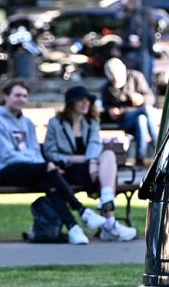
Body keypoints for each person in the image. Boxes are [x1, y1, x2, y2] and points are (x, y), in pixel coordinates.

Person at [0, 79, 97, 245]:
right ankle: (81, 210)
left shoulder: (27, 123)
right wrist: (42, 166)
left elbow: (36, 152)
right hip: (5, 171)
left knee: (51, 185)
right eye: (17, 95)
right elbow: (7, 156)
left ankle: (74, 228)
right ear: (6, 96)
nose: (21, 99)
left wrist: (42, 167)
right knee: (48, 171)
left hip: (31, 171)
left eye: (25, 96)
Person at [42, 85, 138, 241]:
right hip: (66, 171)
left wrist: (92, 161)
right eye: (81, 100)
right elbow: (49, 152)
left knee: (108, 154)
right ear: (71, 103)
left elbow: (95, 144)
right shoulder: (56, 123)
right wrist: (76, 159)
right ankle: (110, 224)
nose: (86, 103)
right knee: (105, 170)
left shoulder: (91, 122)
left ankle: (107, 201)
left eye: (88, 100)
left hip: (90, 171)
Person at [100, 56, 160, 161]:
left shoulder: (136, 76)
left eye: (117, 76)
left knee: (142, 118)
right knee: (146, 111)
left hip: (141, 115)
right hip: (124, 119)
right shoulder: (107, 87)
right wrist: (110, 110)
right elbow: (105, 105)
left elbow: (151, 98)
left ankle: (140, 158)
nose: (115, 80)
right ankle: (160, 146)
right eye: (112, 77)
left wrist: (141, 99)